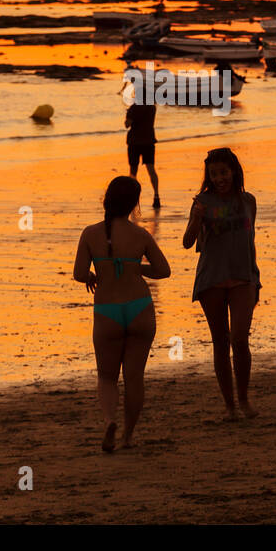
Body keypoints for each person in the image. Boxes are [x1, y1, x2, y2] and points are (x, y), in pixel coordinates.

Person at [73, 176, 170, 451]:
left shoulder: (90, 233)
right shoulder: (140, 235)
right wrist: (135, 268)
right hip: (139, 308)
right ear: (134, 204)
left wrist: (94, 274)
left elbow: (79, 273)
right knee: (134, 376)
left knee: (106, 377)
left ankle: (108, 421)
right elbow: (164, 270)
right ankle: (128, 436)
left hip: (107, 312)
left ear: (107, 199)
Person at [183, 148, 261, 419]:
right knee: (220, 341)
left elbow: (249, 243)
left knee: (240, 339)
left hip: (243, 277)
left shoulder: (248, 201)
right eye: (214, 174)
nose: (219, 178)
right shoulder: (201, 202)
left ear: (234, 172)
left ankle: (244, 399)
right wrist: (196, 218)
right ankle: (230, 406)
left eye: (223, 172)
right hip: (212, 279)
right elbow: (187, 242)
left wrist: (255, 278)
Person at [125, 99, 160, 209]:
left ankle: (132, 198)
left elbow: (127, 124)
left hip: (134, 142)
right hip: (149, 140)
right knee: (151, 170)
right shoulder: (152, 107)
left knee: (133, 172)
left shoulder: (134, 107)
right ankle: (156, 195)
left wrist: (128, 114)